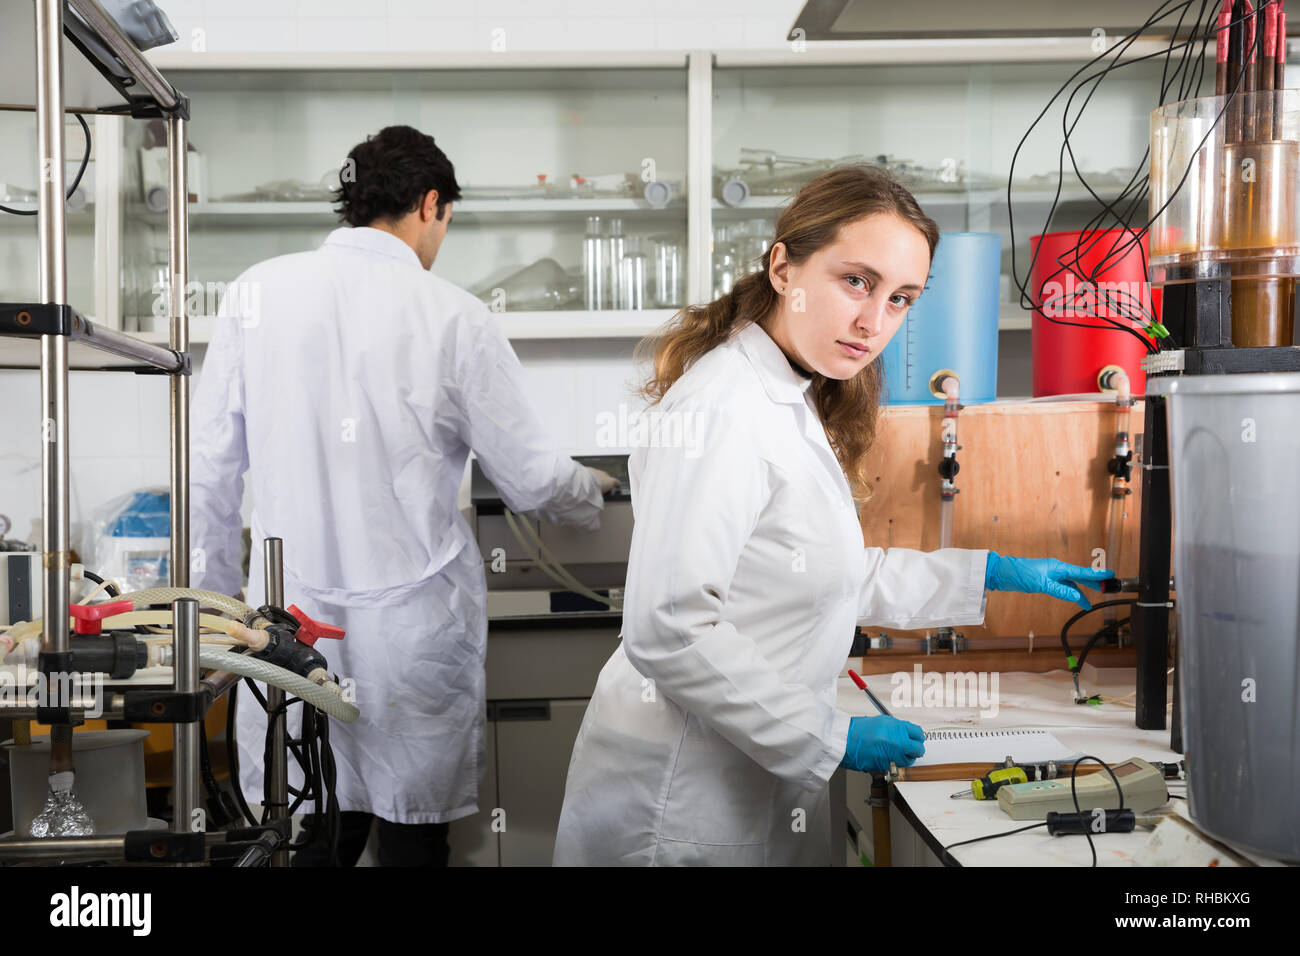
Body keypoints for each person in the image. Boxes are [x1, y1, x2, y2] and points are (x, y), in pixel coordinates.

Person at [552, 164, 1113, 866]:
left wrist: (989, 573)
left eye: (902, 298)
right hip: (678, 796)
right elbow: (669, 626)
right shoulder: (724, 407)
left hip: (740, 779)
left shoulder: (790, 391)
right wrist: (830, 737)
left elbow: (819, 572)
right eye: (857, 281)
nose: (874, 322)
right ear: (784, 266)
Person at [189, 125, 617, 866]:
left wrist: (213, 609)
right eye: (445, 219)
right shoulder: (454, 316)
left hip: (285, 623)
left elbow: (209, 474)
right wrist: (594, 491)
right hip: (410, 638)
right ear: (429, 205)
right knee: (413, 843)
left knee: (308, 831)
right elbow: (530, 476)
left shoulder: (254, 293)